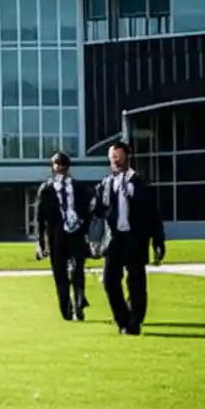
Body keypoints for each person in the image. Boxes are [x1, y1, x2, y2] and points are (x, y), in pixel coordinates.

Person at [92, 141, 167, 336]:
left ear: (127, 157)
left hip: (136, 238)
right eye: (111, 157)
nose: (114, 161)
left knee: (136, 282)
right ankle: (122, 318)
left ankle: (135, 321)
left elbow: (154, 215)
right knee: (109, 281)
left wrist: (158, 242)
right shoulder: (107, 184)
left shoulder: (141, 183)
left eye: (118, 156)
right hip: (115, 239)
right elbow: (97, 209)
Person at [35, 151, 91, 321]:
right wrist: (40, 243)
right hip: (56, 237)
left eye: (62, 164)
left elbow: (89, 210)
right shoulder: (46, 189)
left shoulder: (78, 187)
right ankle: (66, 309)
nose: (59, 167)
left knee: (77, 270)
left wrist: (84, 226)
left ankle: (79, 302)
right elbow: (39, 218)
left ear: (67, 167)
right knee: (60, 274)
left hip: (76, 234)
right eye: (56, 164)